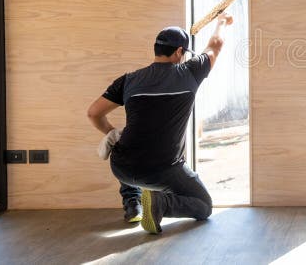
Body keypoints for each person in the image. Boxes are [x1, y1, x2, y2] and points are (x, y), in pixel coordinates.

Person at [87, 13, 233, 234]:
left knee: (129, 141)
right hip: (162, 170)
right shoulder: (190, 72)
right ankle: (161, 203)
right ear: (179, 52)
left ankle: (133, 204)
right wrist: (222, 22)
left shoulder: (128, 80)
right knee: (204, 206)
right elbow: (215, 45)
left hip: (122, 168)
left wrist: (112, 132)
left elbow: (93, 113)